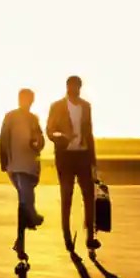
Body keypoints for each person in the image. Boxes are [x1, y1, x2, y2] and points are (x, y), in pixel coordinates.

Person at [46, 75, 101, 253]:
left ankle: (90, 237)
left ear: (80, 87)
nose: (74, 89)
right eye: (71, 86)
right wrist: (62, 137)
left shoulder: (86, 106)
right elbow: (49, 131)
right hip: (65, 157)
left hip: (83, 155)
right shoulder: (57, 106)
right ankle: (67, 235)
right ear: (67, 87)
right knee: (67, 196)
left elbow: (89, 132)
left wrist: (93, 161)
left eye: (77, 86)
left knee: (89, 196)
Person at [0, 88, 44, 260]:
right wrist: (5, 163)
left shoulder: (34, 119)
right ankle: (32, 218)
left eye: (29, 99)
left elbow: (40, 141)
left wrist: (37, 142)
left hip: (30, 165)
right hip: (15, 165)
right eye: (23, 99)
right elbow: (3, 139)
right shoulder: (10, 117)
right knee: (25, 201)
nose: (26, 102)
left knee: (23, 202)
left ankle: (21, 240)